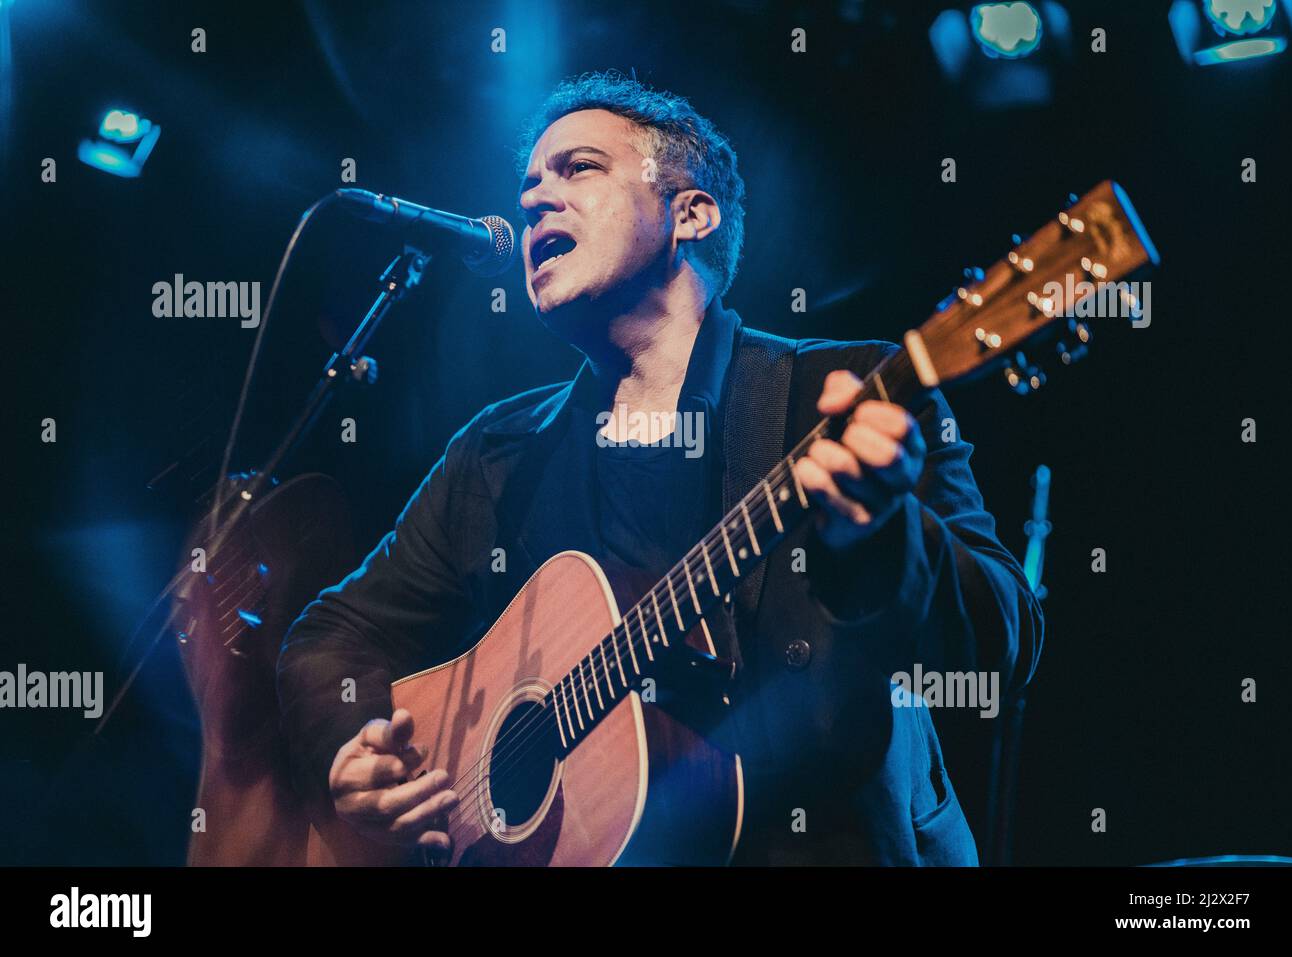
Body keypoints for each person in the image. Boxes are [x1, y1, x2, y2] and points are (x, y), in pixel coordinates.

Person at [277, 71, 1043, 865]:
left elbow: (1007, 640)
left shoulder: (838, 398)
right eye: (529, 183)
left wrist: (884, 539)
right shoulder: (497, 458)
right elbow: (332, 636)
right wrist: (348, 750)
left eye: (577, 168)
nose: (536, 199)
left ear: (690, 213)